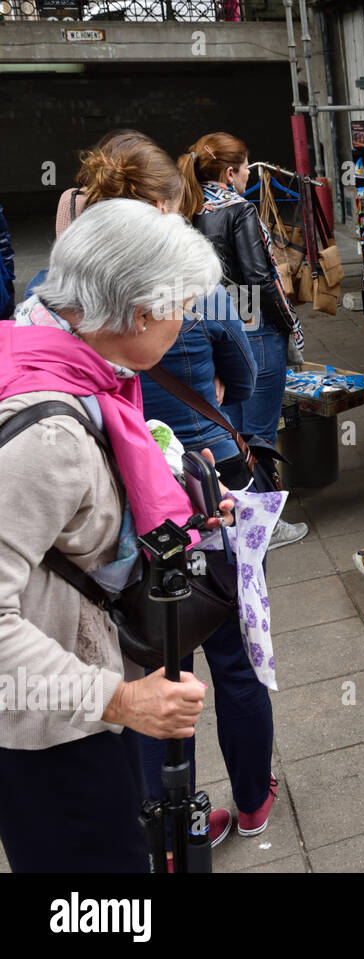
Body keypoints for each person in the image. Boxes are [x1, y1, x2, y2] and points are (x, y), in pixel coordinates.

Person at [0, 199, 228, 872]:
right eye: (181, 305)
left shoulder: (50, 356)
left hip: (68, 706)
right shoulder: (47, 432)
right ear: (136, 312)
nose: (186, 319)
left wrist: (170, 487)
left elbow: (63, 523)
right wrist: (119, 699)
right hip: (52, 735)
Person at [69, 132, 279, 845]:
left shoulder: (66, 298)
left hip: (126, 509)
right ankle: (252, 801)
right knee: (236, 652)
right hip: (206, 478)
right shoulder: (197, 284)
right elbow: (244, 380)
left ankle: (179, 820)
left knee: (157, 657)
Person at [178, 131, 308, 549]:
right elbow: (259, 279)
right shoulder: (239, 209)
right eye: (246, 165)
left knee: (228, 430)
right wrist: (289, 325)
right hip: (255, 331)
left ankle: (236, 519)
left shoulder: (186, 208)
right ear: (229, 171)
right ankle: (264, 527)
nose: (249, 173)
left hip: (211, 328)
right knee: (259, 434)